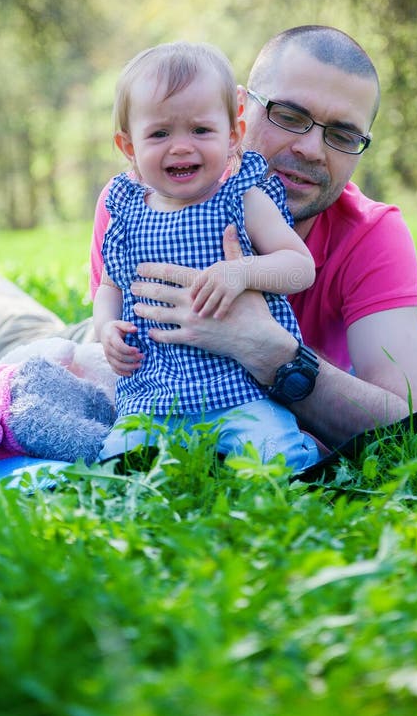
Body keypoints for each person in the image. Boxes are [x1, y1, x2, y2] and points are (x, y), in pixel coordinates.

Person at [0, 24, 417, 456]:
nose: (309, 148)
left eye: (343, 134)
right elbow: (111, 347)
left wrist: (267, 349)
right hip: (142, 359)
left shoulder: (372, 234)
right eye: (289, 115)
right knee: (22, 338)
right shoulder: (144, 197)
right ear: (242, 111)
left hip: (243, 400)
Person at [93, 41, 316, 468]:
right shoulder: (125, 210)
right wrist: (105, 329)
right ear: (128, 147)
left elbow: (299, 267)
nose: (181, 147)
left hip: (237, 390)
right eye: (159, 133)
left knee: (273, 457)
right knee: (120, 463)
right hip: (152, 395)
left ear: (233, 134)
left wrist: (244, 273)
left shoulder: (241, 198)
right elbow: (109, 285)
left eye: (200, 130)